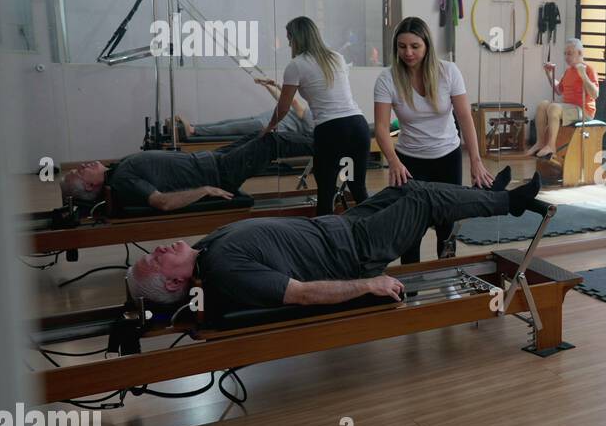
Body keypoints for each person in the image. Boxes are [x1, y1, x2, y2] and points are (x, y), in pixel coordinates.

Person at [124, 169, 541, 316]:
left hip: (343, 225)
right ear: (175, 284)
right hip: (355, 253)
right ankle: (508, 202)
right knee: (423, 198)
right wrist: (369, 284)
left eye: (154, 253)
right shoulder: (222, 271)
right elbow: (301, 294)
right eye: (156, 262)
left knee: (407, 188)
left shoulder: (205, 249)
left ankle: (484, 196)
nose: (158, 250)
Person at [374, 16, 491, 262]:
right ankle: (410, 288)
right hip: (409, 161)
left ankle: (447, 277)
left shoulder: (448, 72)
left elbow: (465, 117)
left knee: (446, 224)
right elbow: (382, 128)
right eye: (402, 46)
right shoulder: (387, 78)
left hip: (447, 156)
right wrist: (394, 162)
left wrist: (476, 161)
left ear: (427, 45)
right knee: (410, 228)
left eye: (415, 46)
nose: (408, 52)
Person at [266, 16, 369, 216]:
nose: (288, 43)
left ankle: (324, 243)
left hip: (331, 130)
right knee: (358, 188)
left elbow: (283, 107)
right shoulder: (335, 57)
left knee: (326, 192)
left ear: (297, 38)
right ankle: (376, 236)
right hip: (358, 125)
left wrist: (268, 127)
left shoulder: (296, 65)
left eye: (289, 38)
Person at [59, 130, 314, 211]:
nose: (82, 166)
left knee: (260, 135)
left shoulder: (118, 169)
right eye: (79, 173)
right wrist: (202, 191)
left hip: (215, 159)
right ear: (91, 187)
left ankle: (323, 139)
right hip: (218, 173)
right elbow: (162, 202)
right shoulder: (123, 180)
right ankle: (330, 141)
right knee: (270, 143)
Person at [525, 38, 599, 158]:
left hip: (584, 111)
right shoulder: (569, 71)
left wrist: (583, 75)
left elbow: (595, 94)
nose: (566, 57)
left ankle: (551, 146)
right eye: (565, 53)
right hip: (568, 108)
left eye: (570, 53)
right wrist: (549, 74)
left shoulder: (589, 69)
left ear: (580, 53)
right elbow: (559, 90)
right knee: (542, 105)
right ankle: (540, 143)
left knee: (554, 107)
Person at [172, 79, 314, 139]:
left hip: (265, 125)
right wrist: (268, 86)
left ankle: (193, 131)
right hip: (263, 118)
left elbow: (292, 101)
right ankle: (192, 127)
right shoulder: (314, 114)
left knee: (230, 128)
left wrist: (276, 84)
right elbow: (284, 100)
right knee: (227, 123)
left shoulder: (313, 122)